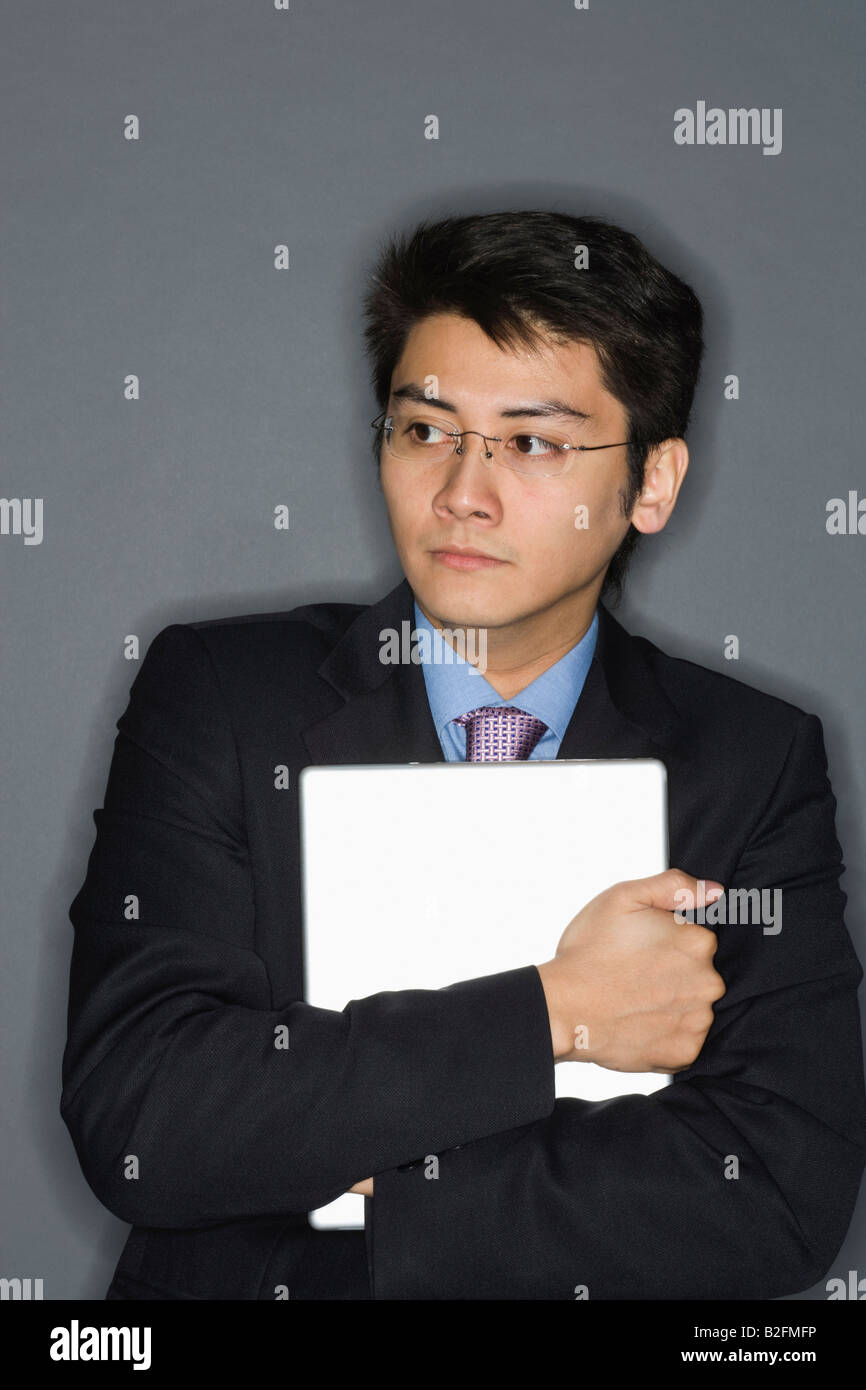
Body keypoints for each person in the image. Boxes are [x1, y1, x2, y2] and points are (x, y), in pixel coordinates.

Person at [61, 210, 866, 1300]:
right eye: (425, 429)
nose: (461, 494)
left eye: (532, 443)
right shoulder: (222, 696)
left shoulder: (749, 759)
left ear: (651, 481)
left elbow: (772, 1190)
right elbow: (148, 1117)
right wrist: (557, 1010)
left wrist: (369, 1172)